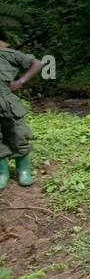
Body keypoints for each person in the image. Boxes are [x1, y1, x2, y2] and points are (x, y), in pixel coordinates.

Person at [0, 39, 42, 190]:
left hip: (10, 105)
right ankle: (2, 173)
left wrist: (21, 81)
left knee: (19, 135)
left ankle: (23, 171)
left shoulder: (6, 55)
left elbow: (37, 63)